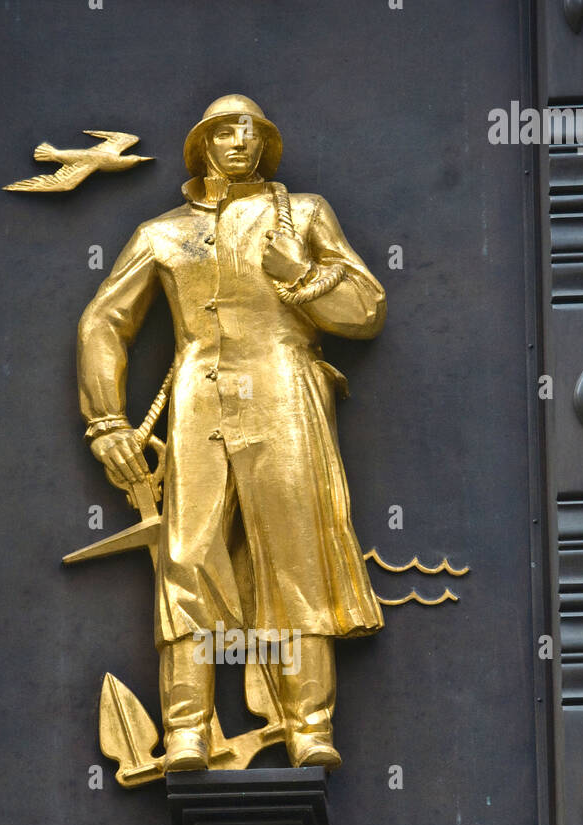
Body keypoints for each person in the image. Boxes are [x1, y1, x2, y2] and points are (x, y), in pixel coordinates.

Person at [78, 95, 386, 772]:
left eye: (251, 129)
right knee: (189, 558)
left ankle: (309, 724)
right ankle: (186, 731)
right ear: (203, 146)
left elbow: (364, 308)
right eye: (224, 129)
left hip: (283, 389)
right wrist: (107, 422)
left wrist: (298, 276)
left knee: (295, 553)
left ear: (265, 143)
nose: (239, 139)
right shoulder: (161, 233)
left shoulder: (302, 214)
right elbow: (105, 322)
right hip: (197, 402)